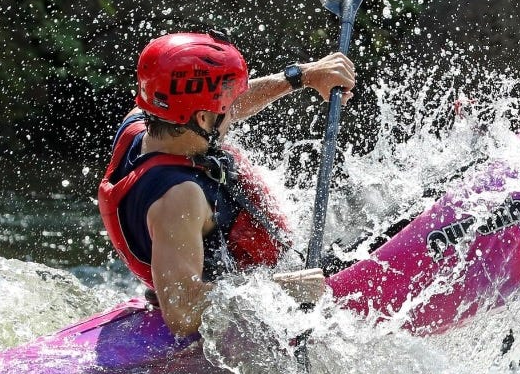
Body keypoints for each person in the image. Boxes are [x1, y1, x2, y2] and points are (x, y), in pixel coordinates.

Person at [98, 30, 356, 338]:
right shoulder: (179, 198)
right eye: (227, 107)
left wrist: (302, 76)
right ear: (204, 119)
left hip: (246, 268)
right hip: (262, 302)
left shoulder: (144, 119)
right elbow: (182, 312)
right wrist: (284, 289)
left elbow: (214, 104)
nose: (233, 113)